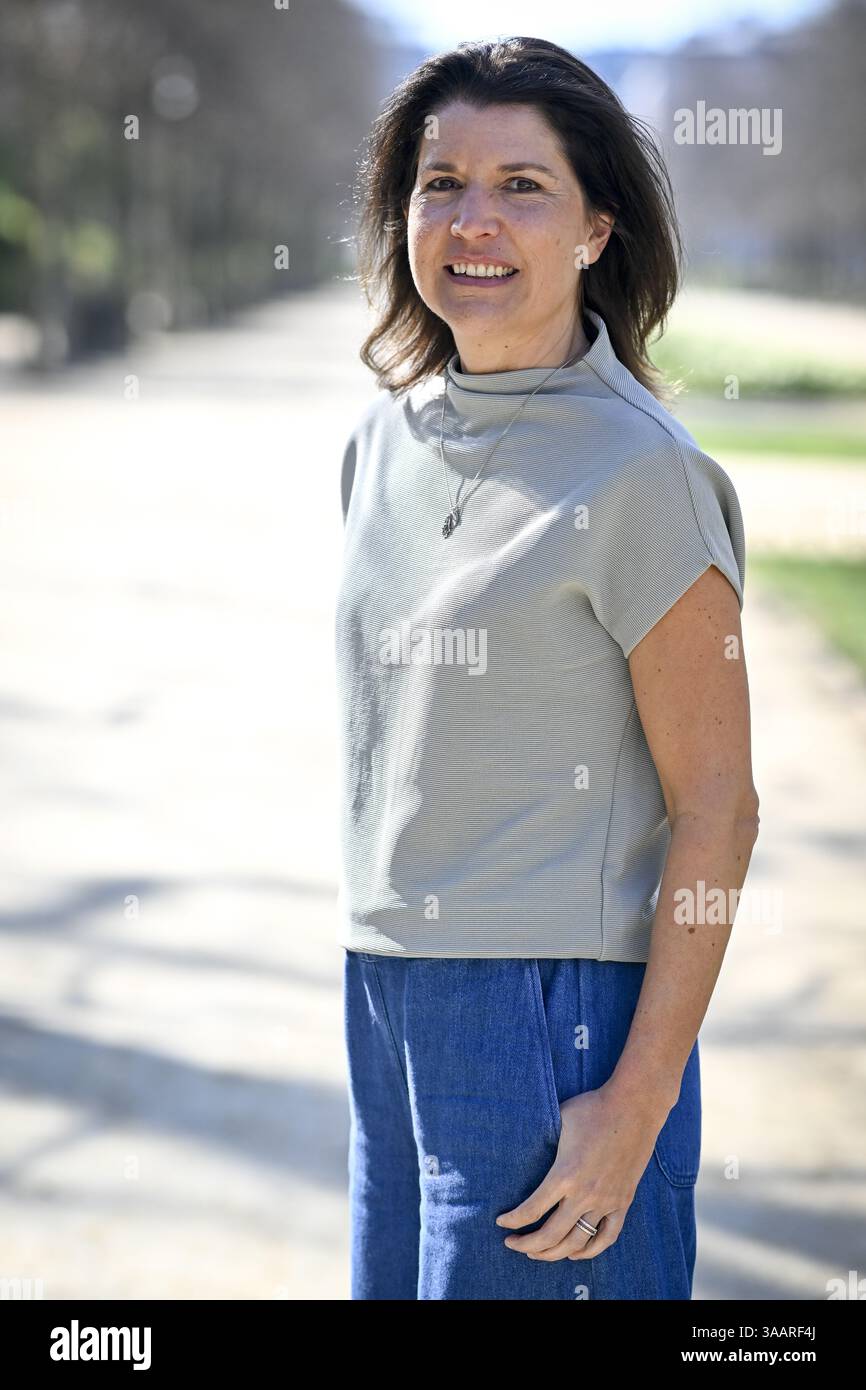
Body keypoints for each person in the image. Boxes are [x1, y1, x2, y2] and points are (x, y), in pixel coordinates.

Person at [334, 35, 760, 1300]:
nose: (472, 218)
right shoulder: (380, 443)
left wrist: (634, 1104)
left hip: (555, 1015)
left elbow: (717, 812)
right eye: (439, 180)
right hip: (385, 995)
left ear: (593, 229)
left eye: (522, 186)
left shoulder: (642, 476)